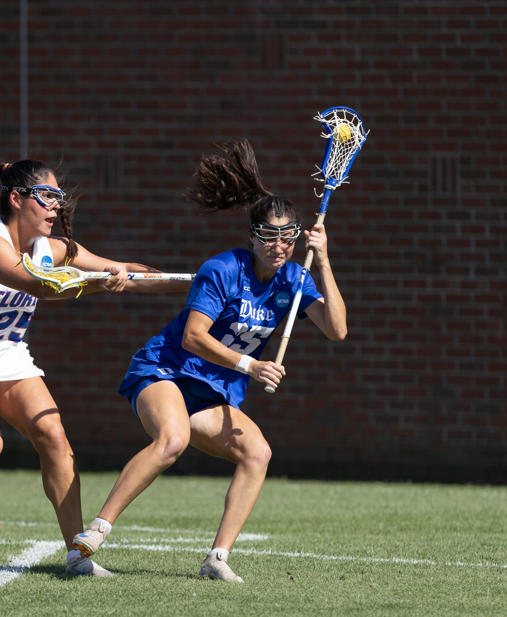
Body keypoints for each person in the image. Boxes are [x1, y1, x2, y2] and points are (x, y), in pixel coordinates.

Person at [71, 139, 348, 582]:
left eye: (288, 236)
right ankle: (93, 536)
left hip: (212, 390)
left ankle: (216, 559)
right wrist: (251, 366)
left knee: (257, 452)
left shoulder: (296, 278)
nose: (279, 245)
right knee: (172, 440)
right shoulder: (222, 270)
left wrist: (325, 262)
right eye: (269, 236)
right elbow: (193, 337)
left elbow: (337, 329)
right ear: (252, 237)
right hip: (166, 369)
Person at [0, 159, 189, 577]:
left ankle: (77, 555)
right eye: (47, 197)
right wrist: (97, 283)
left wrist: (198, 282)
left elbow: (128, 273)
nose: (55, 207)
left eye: (59, 199)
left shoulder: (56, 248)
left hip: (5, 353)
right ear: (17, 199)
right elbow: (38, 283)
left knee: (54, 436)